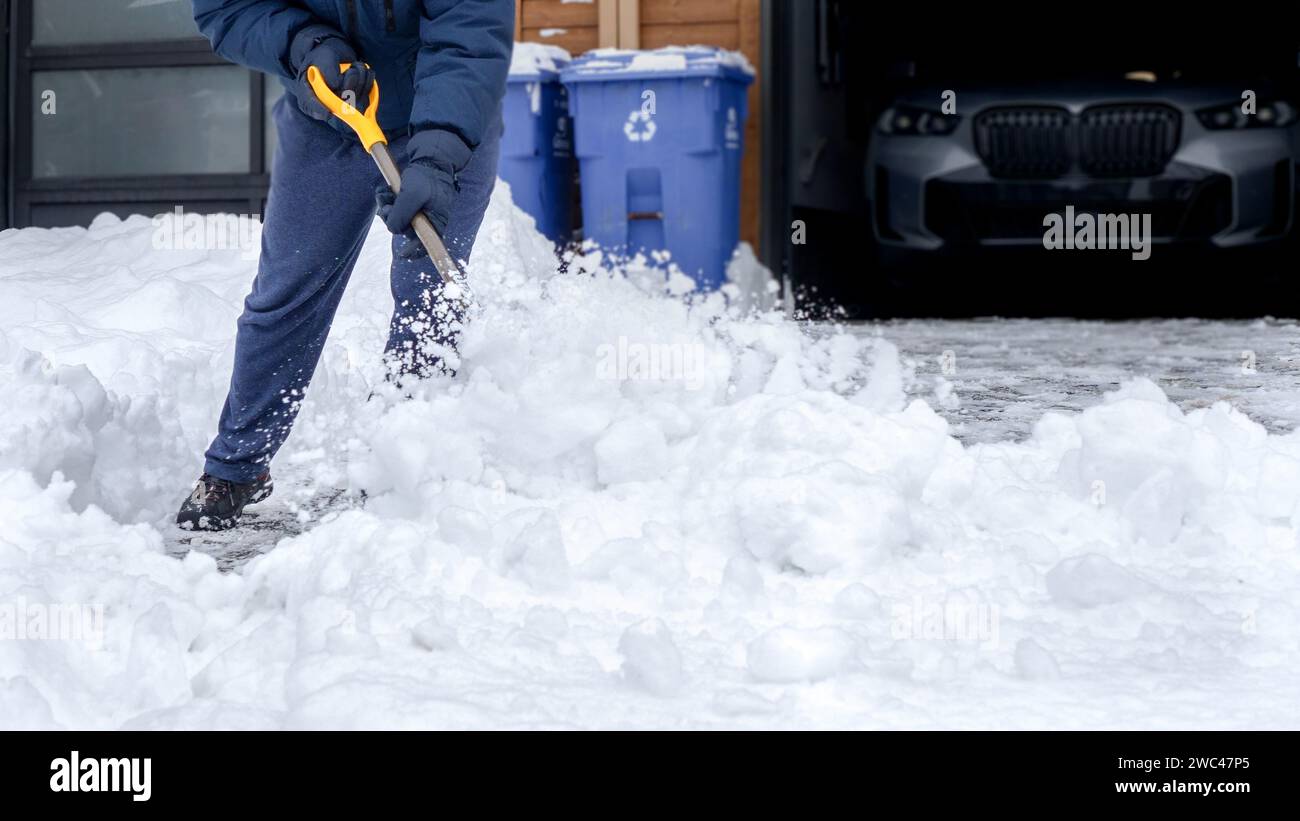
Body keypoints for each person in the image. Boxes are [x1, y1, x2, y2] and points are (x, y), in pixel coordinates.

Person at [177, 0, 514, 530]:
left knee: (428, 296)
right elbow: (227, 7)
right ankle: (237, 466)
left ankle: (398, 469)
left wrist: (438, 155)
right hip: (328, 116)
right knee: (288, 288)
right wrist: (300, 42)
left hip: (444, 114)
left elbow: (468, 29)